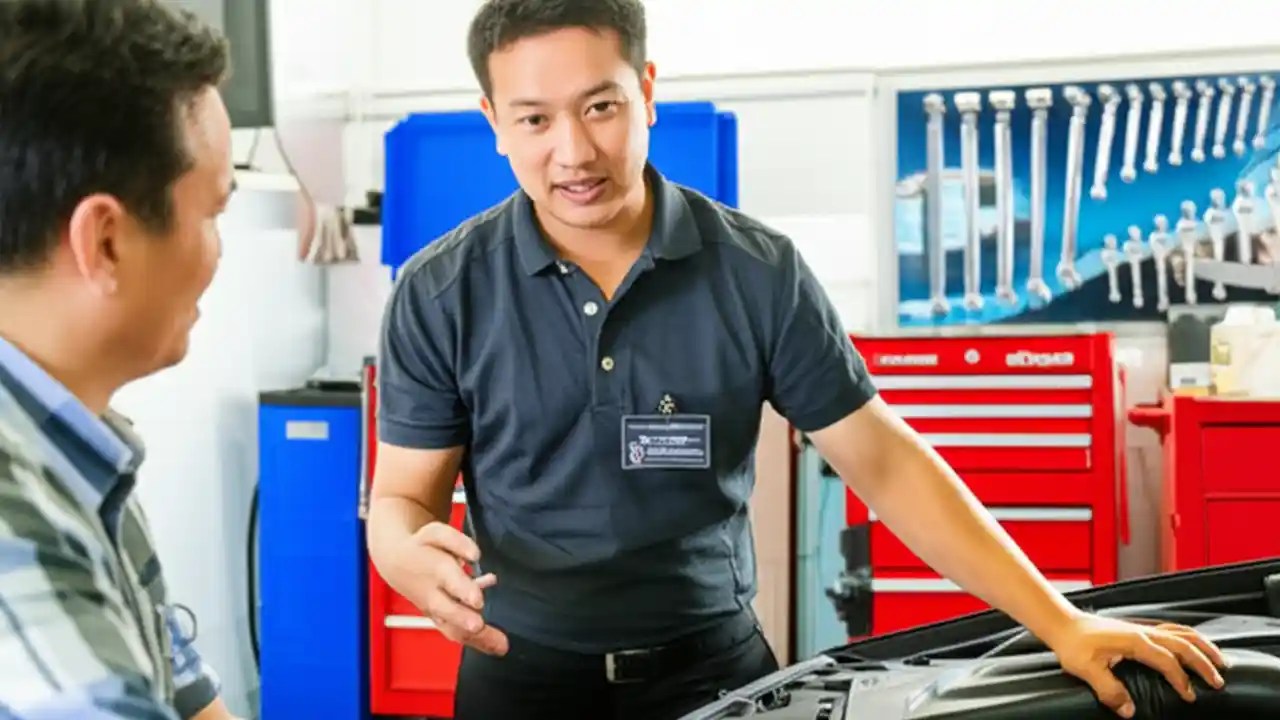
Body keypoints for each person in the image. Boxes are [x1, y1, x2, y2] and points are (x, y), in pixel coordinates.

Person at [366, 1, 1229, 718]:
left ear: (648, 91)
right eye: (534, 119)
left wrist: (1062, 623)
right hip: (519, 680)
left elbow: (885, 463)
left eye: (601, 106)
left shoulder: (754, 271)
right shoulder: (441, 291)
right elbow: (404, 497)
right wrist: (399, 550)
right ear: (493, 124)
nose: (574, 151)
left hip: (713, 675)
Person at [0, 1, 241, 718]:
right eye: (213, 215)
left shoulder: (83, 450)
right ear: (105, 241)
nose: (218, 253)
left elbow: (186, 694)